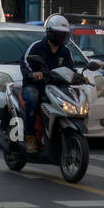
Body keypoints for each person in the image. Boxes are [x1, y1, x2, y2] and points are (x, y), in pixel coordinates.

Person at [20, 14, 79, 154]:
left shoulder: (66, 52)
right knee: (32, 100)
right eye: (59, 35)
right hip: (35, 86)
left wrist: (80, 78)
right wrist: (32, 74)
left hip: (56, 88)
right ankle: (30, 137)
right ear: (50, 33)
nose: (62, 38)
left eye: (64, 35)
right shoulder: (37, 47)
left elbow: (71, 70)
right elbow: (25, 63)